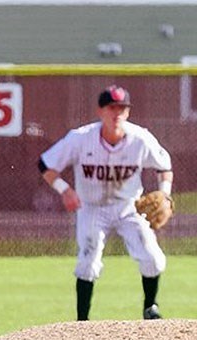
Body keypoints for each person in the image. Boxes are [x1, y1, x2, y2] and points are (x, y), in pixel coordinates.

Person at [39, 85, 173, 321]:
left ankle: (150, 308)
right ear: (100, 111)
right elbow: (45, 164)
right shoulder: (80, 138)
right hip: (92, 207)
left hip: (129, 206)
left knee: (152, 257)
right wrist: (65, 190)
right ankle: (82, 322)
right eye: (112, 108)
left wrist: (165, 194)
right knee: (88, 261)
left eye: (122, 108)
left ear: (128, 112)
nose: (117, 113)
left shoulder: (140, 138)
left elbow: (165, 167)